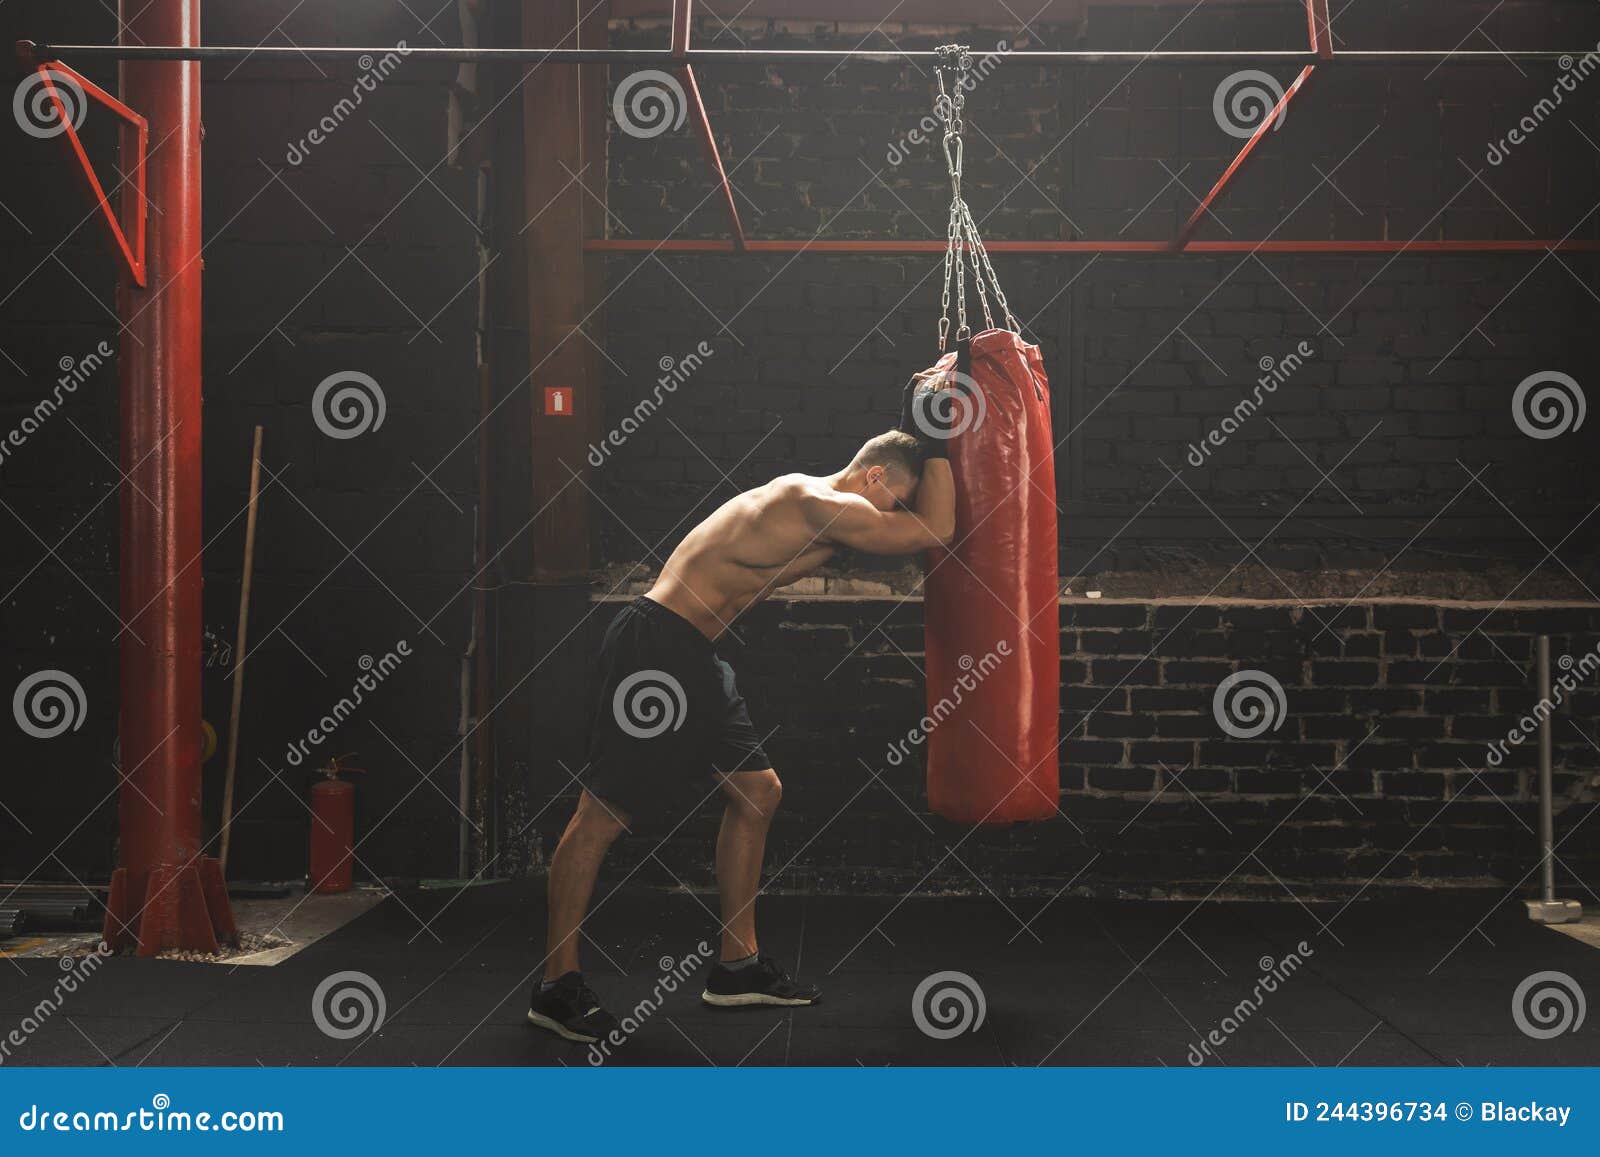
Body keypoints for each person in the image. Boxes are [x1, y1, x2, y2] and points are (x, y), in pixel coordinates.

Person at [527, 369, 963, 1043]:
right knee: (602, 814)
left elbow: (915, 526)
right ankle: (557, 986)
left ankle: (737, 966)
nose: (894, 517)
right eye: (895, 501)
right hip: (656, 649)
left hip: (694, 655)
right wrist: (939, 432)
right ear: (876, 478)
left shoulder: (819, 516)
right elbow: (936, 529)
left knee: (758, 792)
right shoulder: (813, 499)